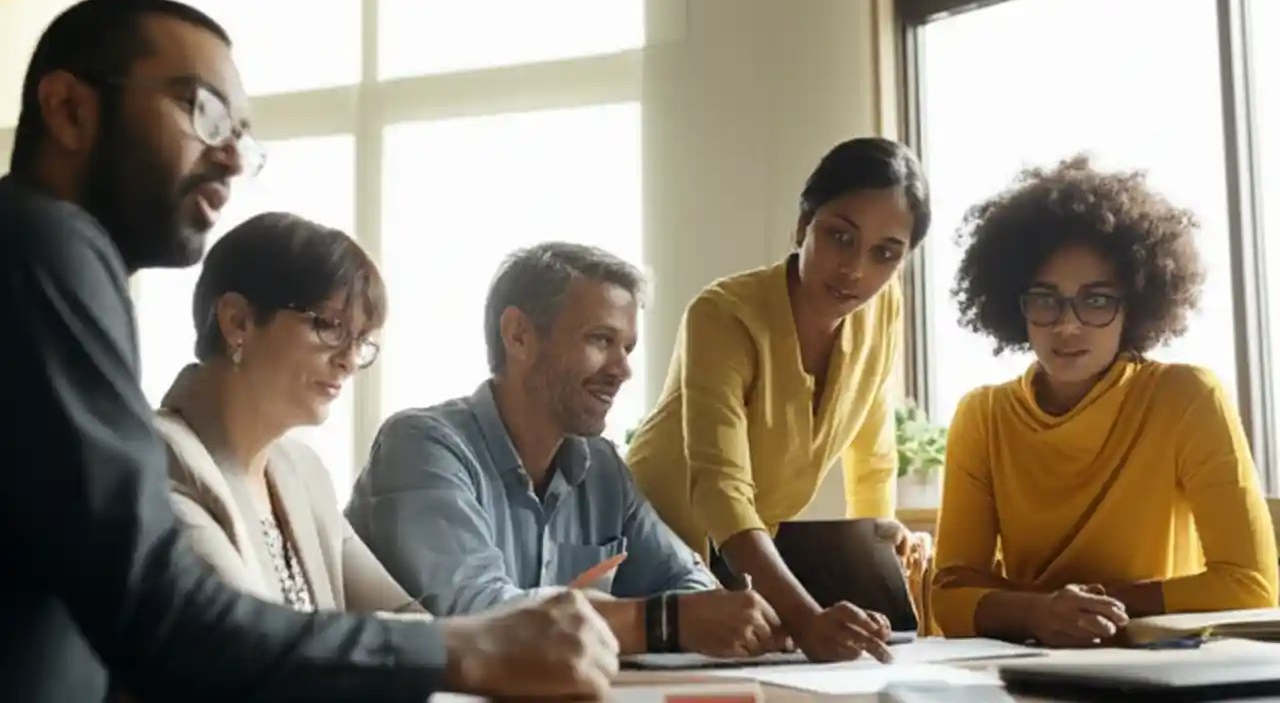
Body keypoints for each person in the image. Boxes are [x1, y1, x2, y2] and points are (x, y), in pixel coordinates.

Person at [0, 0, 616, 700]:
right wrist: (459, 649)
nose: (231, 157)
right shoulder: (42, 243)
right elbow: (157, 611)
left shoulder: (300, 473)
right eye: (201, 112)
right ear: (69, 108)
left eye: (240, 133)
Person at [347, 242, 789, 657]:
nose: (622, 370)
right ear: (518, 335)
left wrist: (739, 620)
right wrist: (659, 622)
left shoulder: (603, 470)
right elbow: (476, 614)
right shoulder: (421, 447)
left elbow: (690, 586)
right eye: (601, 340)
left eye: (628, 348)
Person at [932, 156, 1278, 646]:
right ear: (1016, 304)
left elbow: (1253, 586)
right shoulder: (982, 416)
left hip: (1166, 673)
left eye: (1096, 300)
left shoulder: (1187, 398)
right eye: (1045, 298)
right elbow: (948, 594)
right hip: (1027, 671)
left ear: (1133, 306)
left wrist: (1092, 607)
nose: (1066, 325)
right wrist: (1039, 616)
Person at [625, 138, 931, 662]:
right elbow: (720, 489)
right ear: (802, 224)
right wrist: (805, 617)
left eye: (885, 253)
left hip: (742, 550)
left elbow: (871, 448)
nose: (856, 270)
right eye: (840, 236)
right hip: (650, 539)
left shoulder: (883, 311)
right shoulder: (723, 314)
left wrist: (877, 556)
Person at [158, 212, 425, 615]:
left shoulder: (302, 470)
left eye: (361, 341)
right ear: (238, 322)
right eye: (330, 326)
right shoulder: (158, 458)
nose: (349, 361)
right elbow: (261, 644)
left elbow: (411, 620)